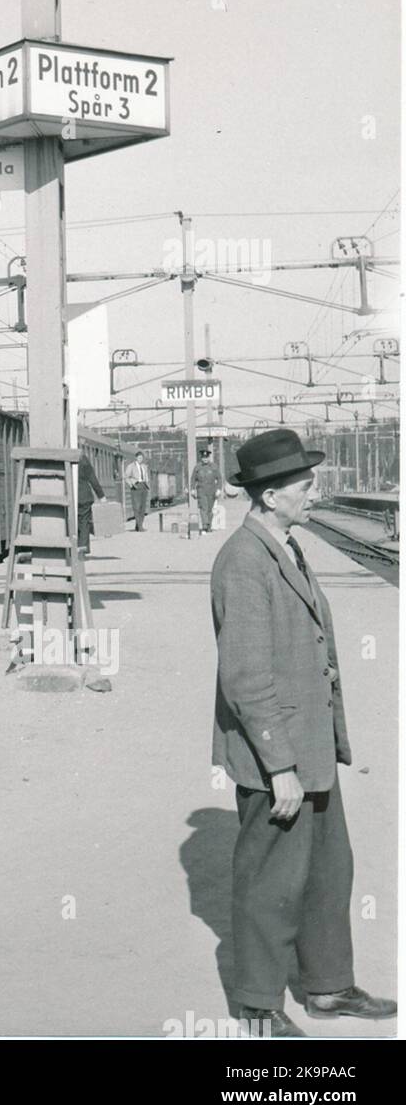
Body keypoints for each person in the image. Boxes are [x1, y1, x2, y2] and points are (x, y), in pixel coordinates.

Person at [210, 428, 395, 1037]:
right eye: (304, 484)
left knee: (326, 871)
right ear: (267, 495)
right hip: (279, 758)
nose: (315, 491)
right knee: (270, 882)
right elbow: (245, 675)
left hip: (309, 746)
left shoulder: (285, 545)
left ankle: (328, 987)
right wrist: (278, 767)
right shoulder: (243, 561)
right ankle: (260, 1005)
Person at [77, 450, 105, 554]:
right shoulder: (83, 459)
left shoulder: (66, 458)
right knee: (84, 523)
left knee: (74, 523)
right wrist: (101, 496)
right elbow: (93, 479)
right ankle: (83, 550)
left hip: (71, 496)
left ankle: (76, 548)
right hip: (84, 497)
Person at [190, 446, 222, 536]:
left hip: (212, 490)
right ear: (201, 458)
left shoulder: (214, 467)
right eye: (203, 457)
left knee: (209, 510)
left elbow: (219, 478)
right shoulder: (197, 467)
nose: (205, 459)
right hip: (201, 490)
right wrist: (192, 489)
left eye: (206, 457)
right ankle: (204, 526)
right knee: (203, 508)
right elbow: (193, 479)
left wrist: (219, 489)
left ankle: (208, 526)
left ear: (209, 457)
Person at [124, 450, 150, 530]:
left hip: (143, 486)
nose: (140, 459)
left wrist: (147, 484)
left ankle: (139, 525)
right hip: (136, 486)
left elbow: (146, 476)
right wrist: (131, 485)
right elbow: (126, 477)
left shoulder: (144, 466)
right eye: (139, 458)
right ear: (136, 458)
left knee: (142, 507)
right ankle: (140, 526)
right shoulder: (131, 466)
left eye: (141, 458)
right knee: (137, 507)